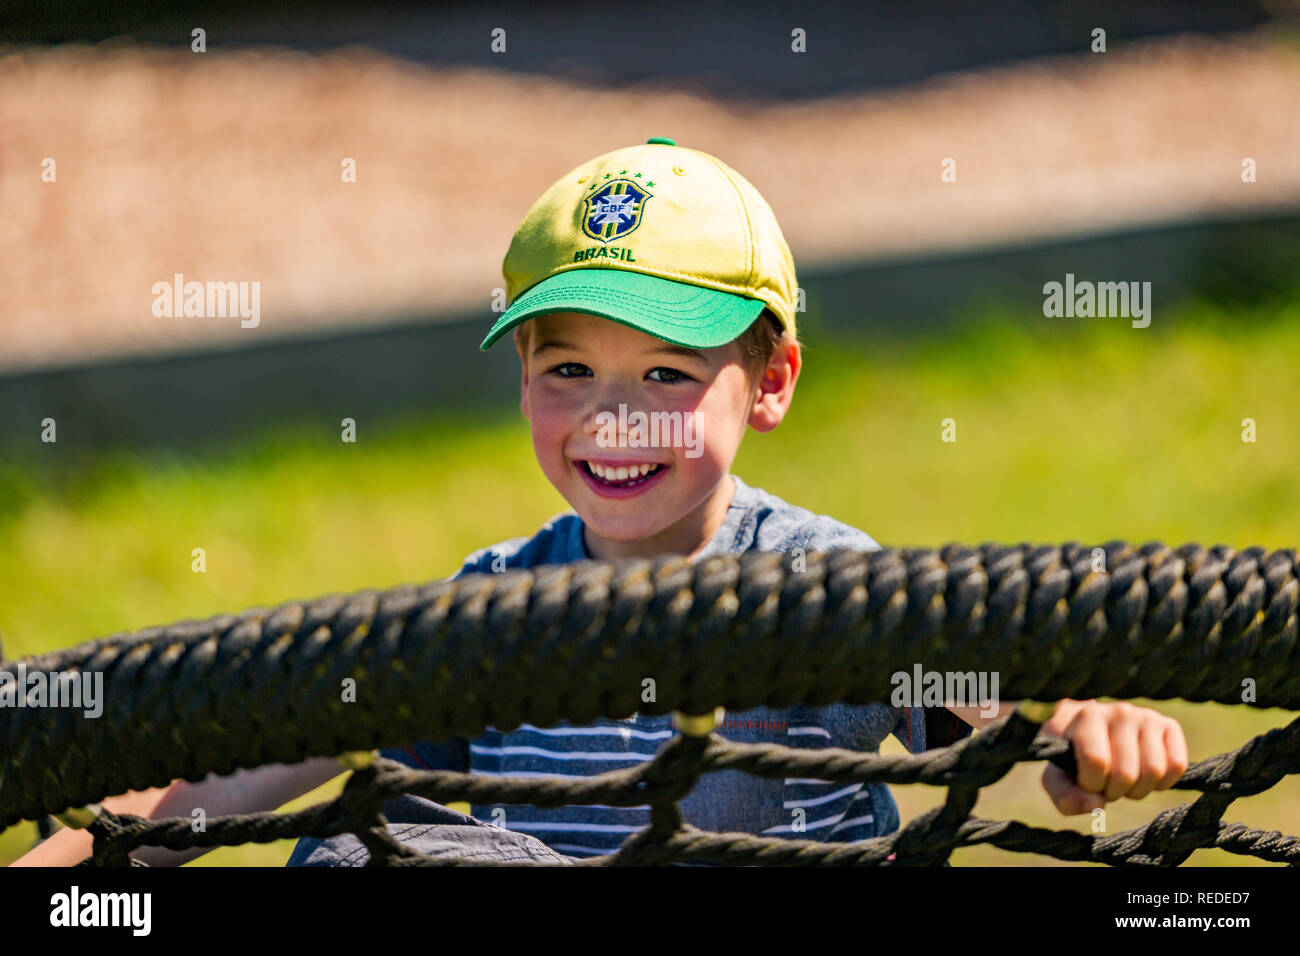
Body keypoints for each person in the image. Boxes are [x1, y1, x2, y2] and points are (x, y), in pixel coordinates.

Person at [14, 138, 1188, 867]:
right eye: (568, 370)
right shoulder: (495, 603)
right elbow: (244, 766)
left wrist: (1083, 730)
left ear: (769, 382)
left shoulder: (826, 590)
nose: (609, 418)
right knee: (360, 842)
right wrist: (85, 856)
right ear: (522, 378)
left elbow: (986, 702)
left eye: (665, 375)